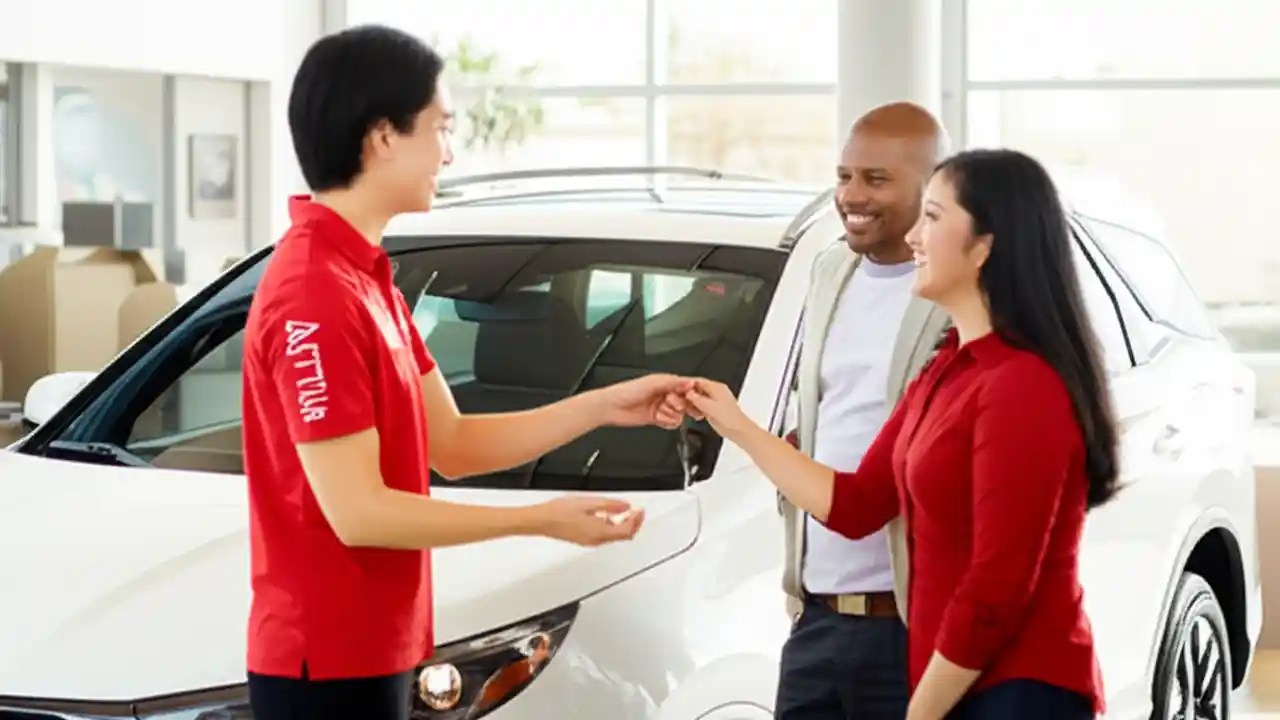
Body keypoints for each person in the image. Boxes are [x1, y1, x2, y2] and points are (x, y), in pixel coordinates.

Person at [241, 25, 687, 720]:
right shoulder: (314, 294)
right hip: (324, 665)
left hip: (378, 649)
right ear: (383, 135)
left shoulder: (368, 279)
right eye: (440, 129)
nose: (448, 153)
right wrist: (542, 518)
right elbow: (357, 513)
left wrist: (602, 405)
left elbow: (451, 443)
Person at [678, 148, 1119, 719]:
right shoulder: (948, 368)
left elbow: (996, 590)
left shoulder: (1023, 385)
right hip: (957, 685)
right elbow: (857, 504)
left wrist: (921, 712)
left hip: (1017, 693)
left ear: (985, 246)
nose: (913, 237)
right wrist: (735, 424)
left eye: (933, 218)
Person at [776, 102, 950, 719]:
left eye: (876, 179)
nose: (851, 195)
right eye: (844, 175)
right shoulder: (829, 271)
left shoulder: (959, 295)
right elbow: (825, 412)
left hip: (912, 623)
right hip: (818, 619)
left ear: (934, 186)